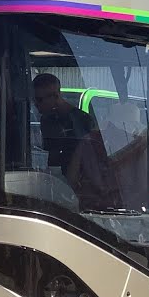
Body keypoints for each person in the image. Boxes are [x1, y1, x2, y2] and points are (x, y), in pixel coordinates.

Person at [32, 73, 115, 209]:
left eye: (40, 100)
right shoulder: (46, 120)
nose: (36, 105)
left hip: (80, 189)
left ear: (55, 96)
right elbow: (49, 153)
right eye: (34, 99)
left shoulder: (82, 120)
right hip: (53, 182)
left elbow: (90, 156)